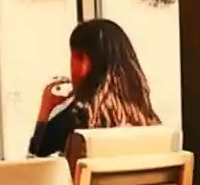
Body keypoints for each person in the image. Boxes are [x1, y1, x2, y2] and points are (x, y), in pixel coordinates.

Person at [27, 18, 161, 157]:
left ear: (83, 61)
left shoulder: (78, 117)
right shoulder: (148, 121)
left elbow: (36, 161)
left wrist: (45, 109)